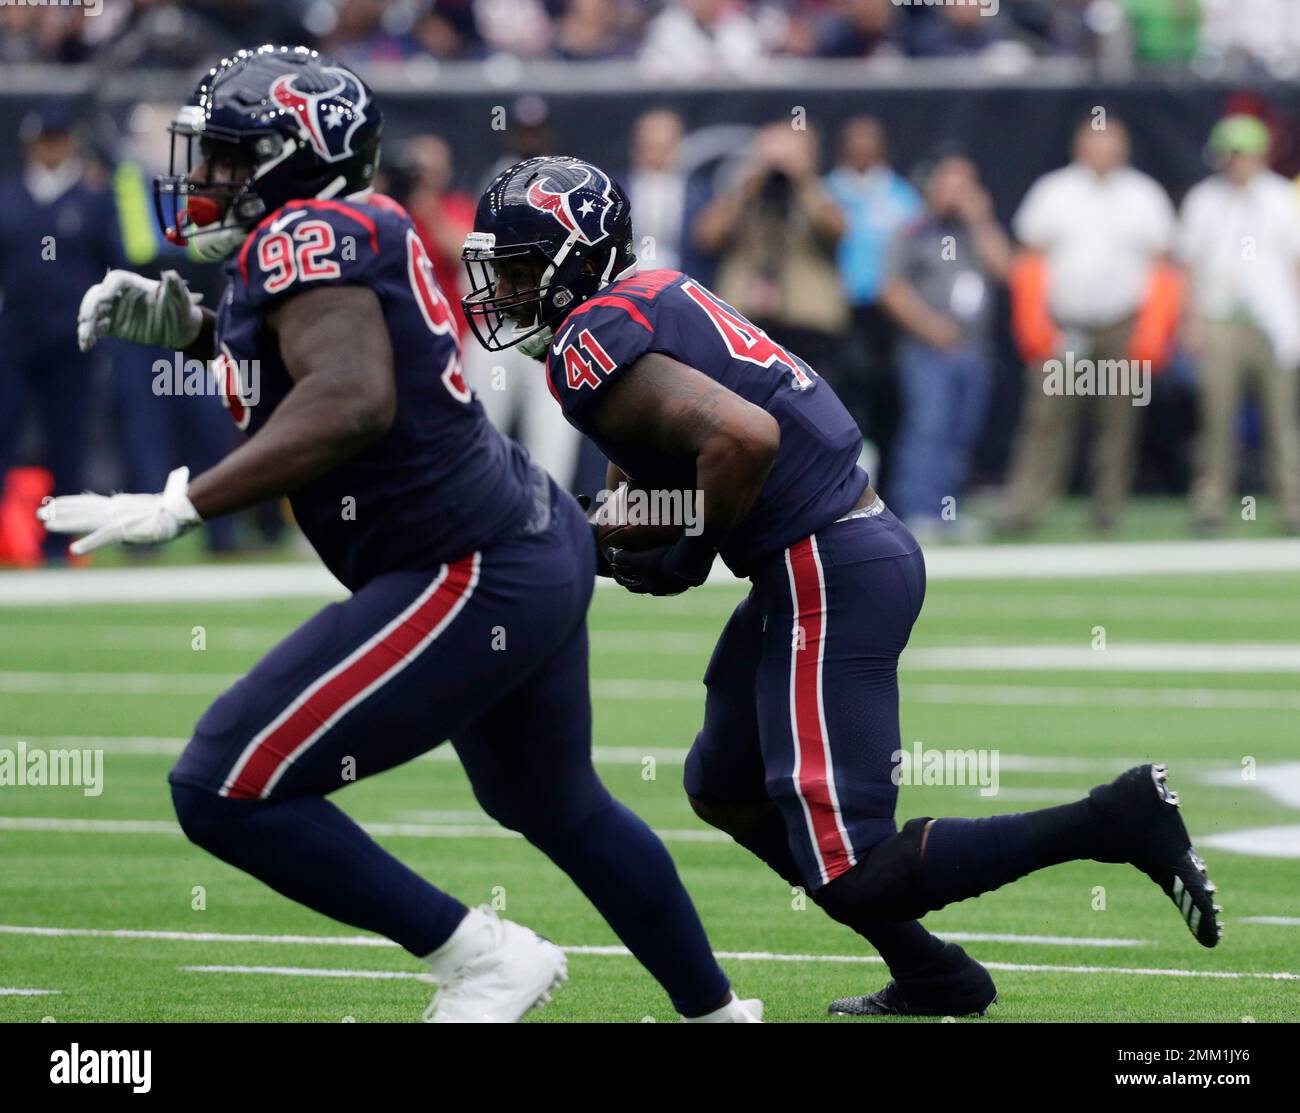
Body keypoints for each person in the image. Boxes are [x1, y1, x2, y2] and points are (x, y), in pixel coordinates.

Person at [43, 45, 758, 1025]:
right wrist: (204, 329)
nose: (202, 175)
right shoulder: (318, 240)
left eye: (224, 153)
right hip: (521, 537)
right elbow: (328, 351)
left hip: (468, 564)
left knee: (221, 783)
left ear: (294, 157)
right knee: (553, 804)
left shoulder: (313, 235)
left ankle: (481, 958)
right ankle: (721, 1018)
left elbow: (352, 397)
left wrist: (187, 502)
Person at [461, 154, 1224, 1018]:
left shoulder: (592, 341)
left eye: (522, 271)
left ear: (576, 261)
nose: (506, 293)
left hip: (824, 563)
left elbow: (741, 440)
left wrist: (681, 554)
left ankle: (1114, 818)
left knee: (855, 872)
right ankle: (935, 973)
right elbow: (659, 452)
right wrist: (605, 528)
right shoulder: (648, 297)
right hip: (827, 552)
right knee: (725, 781)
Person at [999, 117, 1176, 533]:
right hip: (1065, 324)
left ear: (1123, 149)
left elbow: (1163, 264)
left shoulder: (1143, 195)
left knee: (1117, 421)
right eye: (1095, 144)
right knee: (1047, 418)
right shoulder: (1054, 191)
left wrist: (1153, 328)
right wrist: (1036, 322)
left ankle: (1106, 509)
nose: (1102, 153)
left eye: (1110, 144)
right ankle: (1026, 505)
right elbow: (1028, 258)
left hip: (1121, 322)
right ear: (1079, 147)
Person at [0, 107, 118, 562]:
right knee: (3, 433)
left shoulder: (92, 198)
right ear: (31, 144)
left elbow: (114, 264)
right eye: (44, 139)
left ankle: (57, 542)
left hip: (72, 339)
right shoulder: (10, 196)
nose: (51, 147)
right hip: (14, 336)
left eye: (58, 138)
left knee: (66, 441)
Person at [880, 151, 1012, 539]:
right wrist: (928, 325)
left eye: (966, 184)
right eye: (950, 183)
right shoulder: (913, 231)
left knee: (961, 433)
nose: (958, 193)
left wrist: (981, 218)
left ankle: (947, 511)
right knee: (928, 428)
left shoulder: (977, 230)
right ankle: (917, 510)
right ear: (933, 187)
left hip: (974, 350)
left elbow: (1006, 269)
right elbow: (891, 289)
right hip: (927, 350)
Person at [1179, 114, 1300, 534]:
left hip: (1275, 321)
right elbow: (1190, 266)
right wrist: (1191, 321)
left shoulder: (1284, 197)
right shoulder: (1203, 200)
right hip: (1220, 319)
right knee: (1217, 420)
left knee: (1282, 420)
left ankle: (1292, 506)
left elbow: (1295, 265)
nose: (1236, 162)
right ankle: (1212, 504)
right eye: (1229, 154)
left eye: (1243, 153)